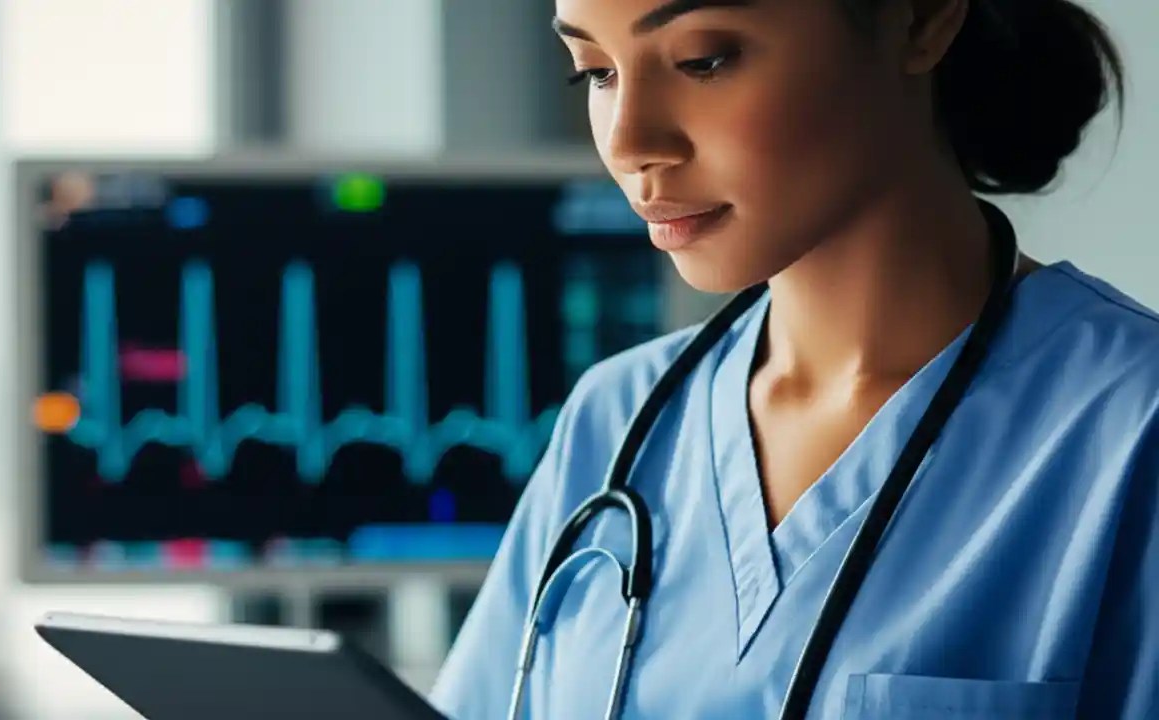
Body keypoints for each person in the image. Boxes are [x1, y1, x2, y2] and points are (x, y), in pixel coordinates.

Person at [429, 0, 1154, 717]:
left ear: (921, 19)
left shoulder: (1129, 425)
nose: (628, 143)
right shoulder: (617, 416)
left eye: (703, 60)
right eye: (594, 71)